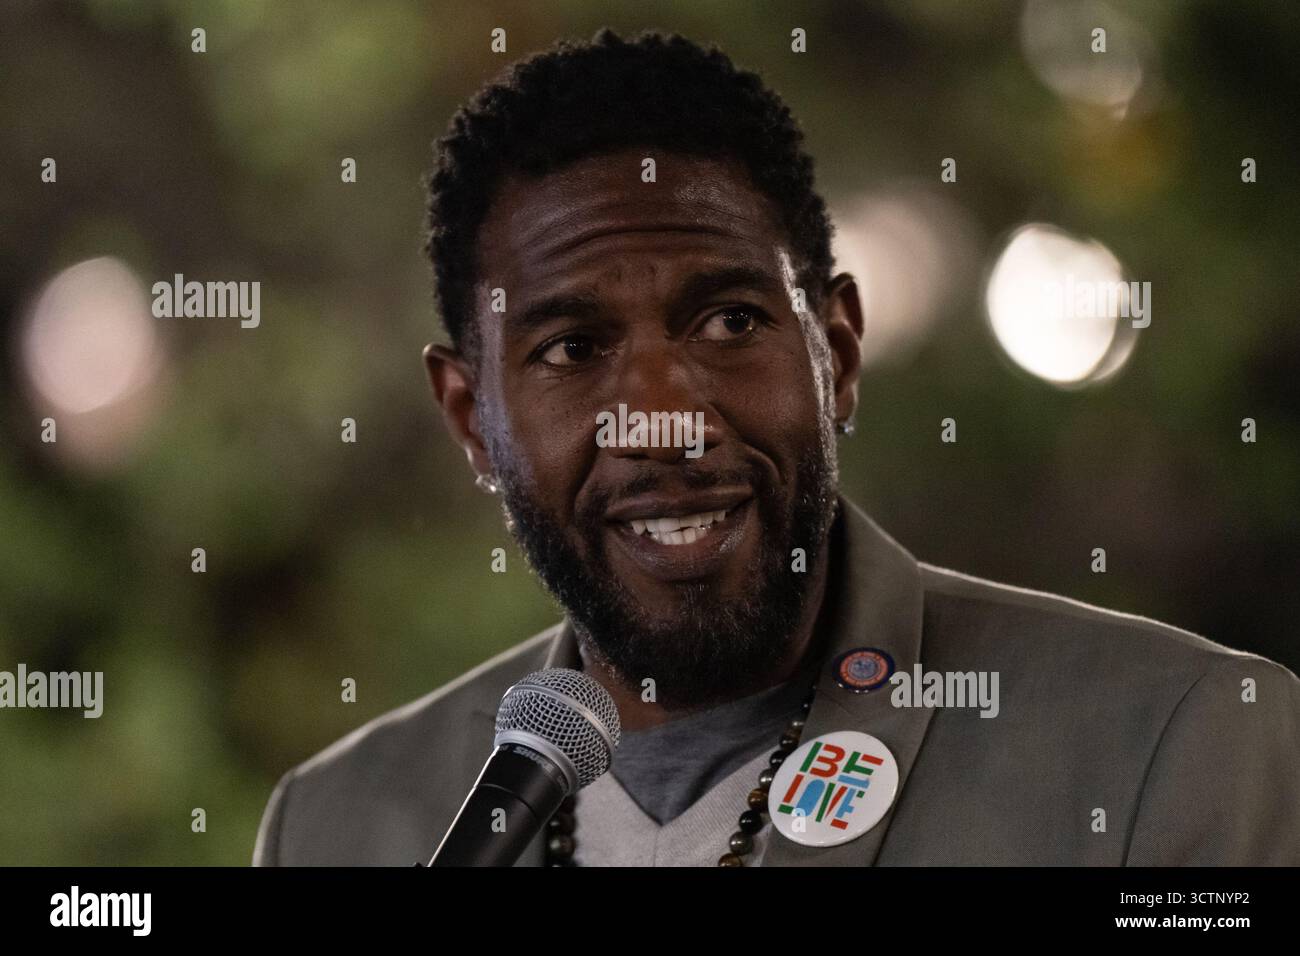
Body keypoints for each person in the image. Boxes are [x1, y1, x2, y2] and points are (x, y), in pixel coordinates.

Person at [253, 29, 1299, 867]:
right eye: (573, 346)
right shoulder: (334, 827)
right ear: (471, 419)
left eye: (729, 322)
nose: (665, 417)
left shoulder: (1178, 744)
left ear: (836, 352)